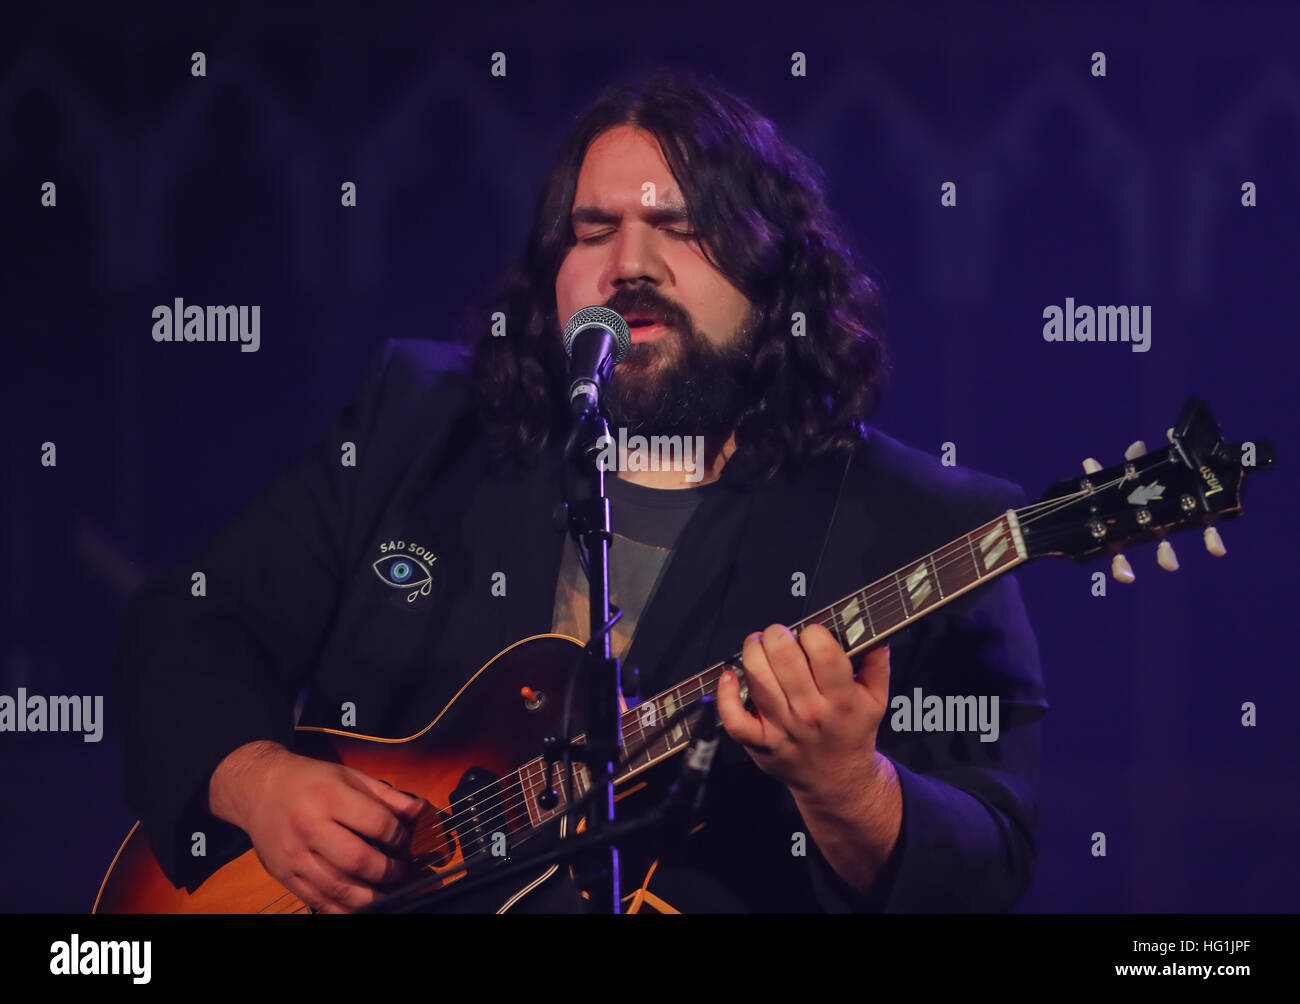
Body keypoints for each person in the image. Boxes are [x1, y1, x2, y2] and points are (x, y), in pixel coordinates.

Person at [113, 69, 1046, 914]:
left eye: (683, 228)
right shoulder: (421, 429)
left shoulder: (923, 528)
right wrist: (260, 780)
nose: (629, 263)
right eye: (594, 231)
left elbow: (986, 866)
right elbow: (189, 624)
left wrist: (851, 789)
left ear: (775, 275)